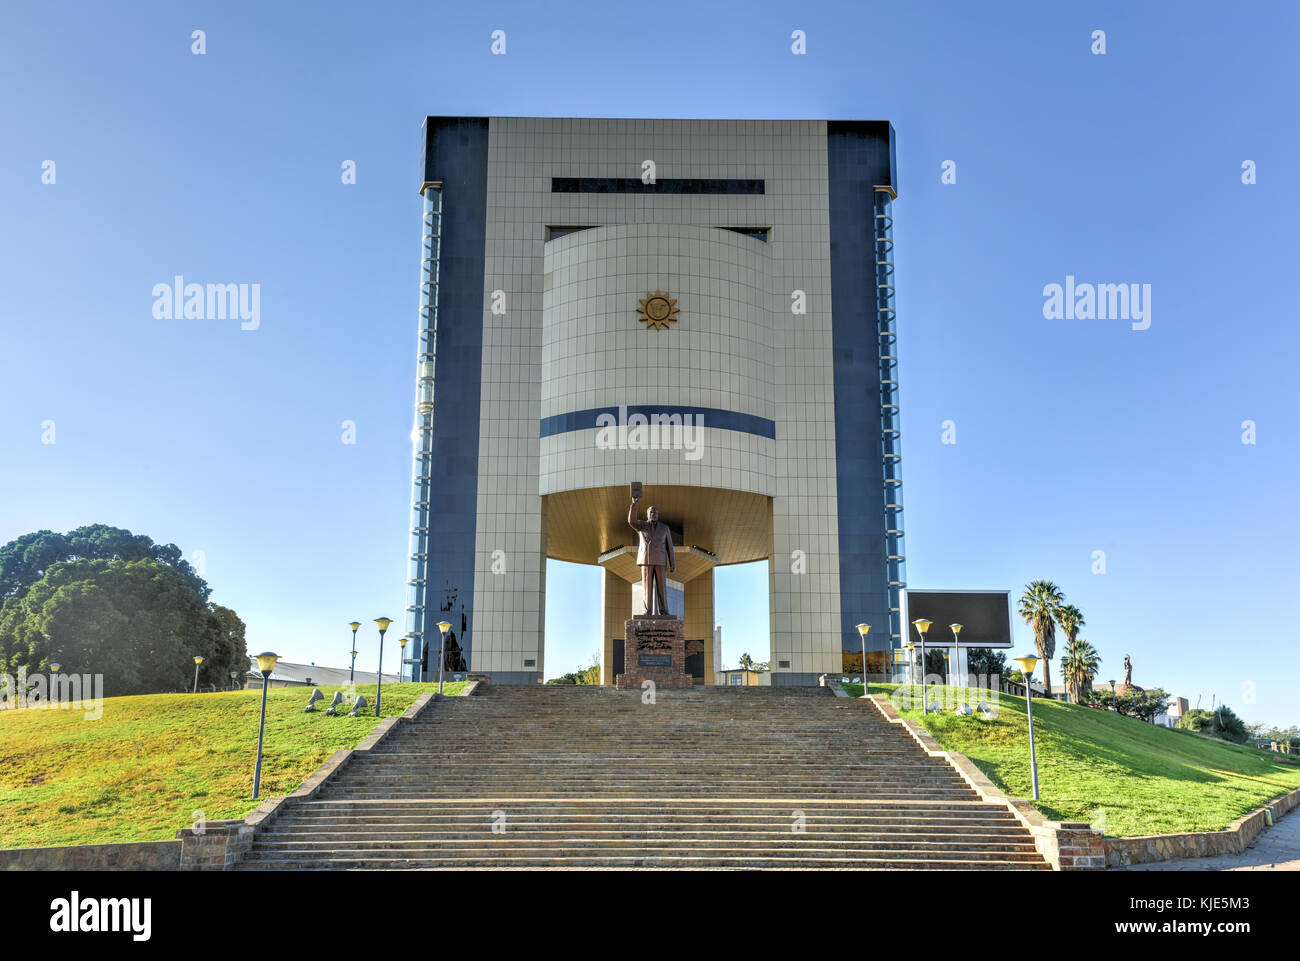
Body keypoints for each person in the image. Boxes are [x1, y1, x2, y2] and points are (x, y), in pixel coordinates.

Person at [628, 495, 676, 616]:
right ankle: (647, 611)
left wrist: (673, 563)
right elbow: (631, 521)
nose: (653, 514)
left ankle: (664, 611)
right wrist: (635, 504)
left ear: (658, 515)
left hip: (660, 561)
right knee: (646, 588)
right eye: (651, 512)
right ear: (647, 514)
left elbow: (670, 547)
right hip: (646, 559)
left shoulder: (665, 528)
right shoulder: (642, 525)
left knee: (662, 588)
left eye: (655, 512)